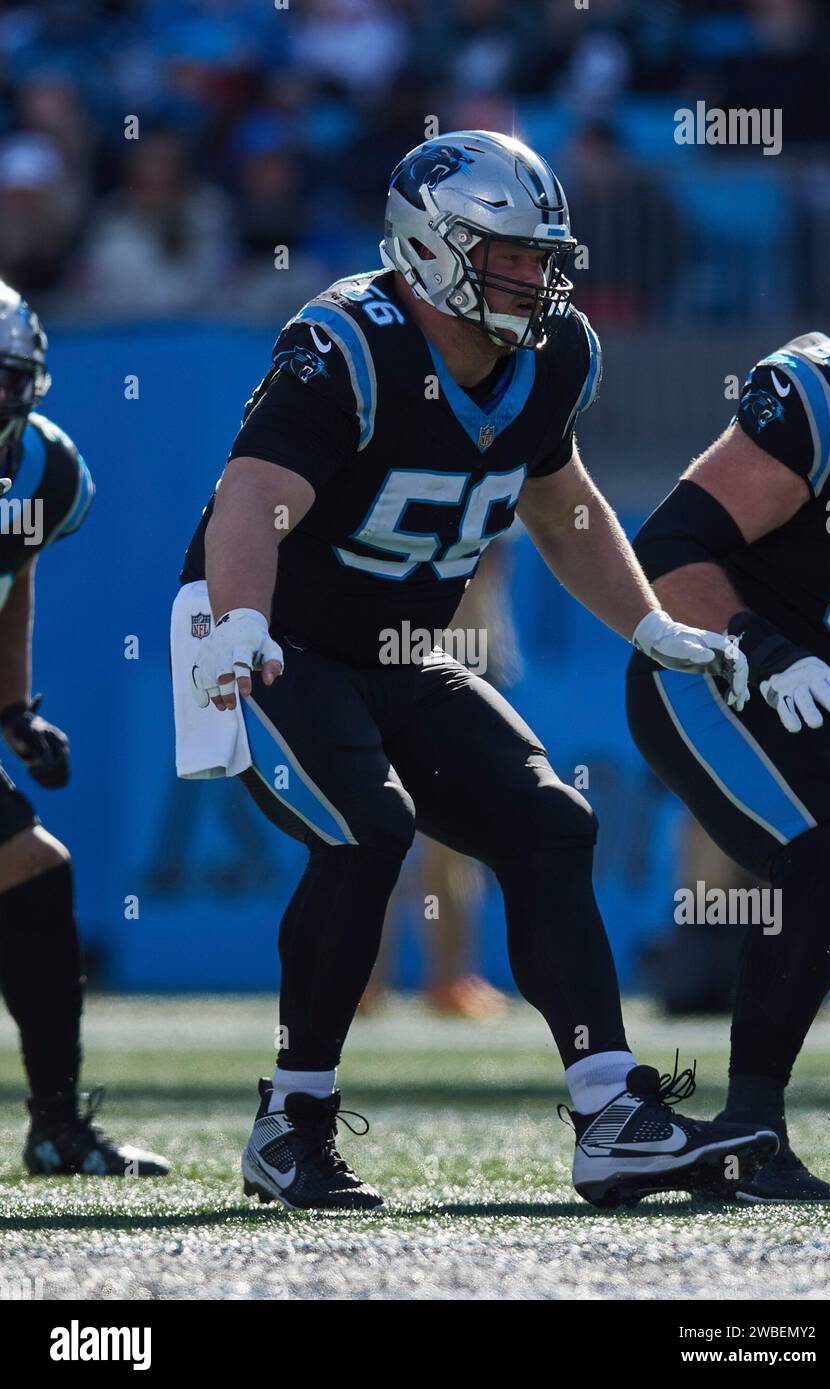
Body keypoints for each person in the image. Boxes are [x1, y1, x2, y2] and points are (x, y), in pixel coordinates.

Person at [175, 131, 775, 1211]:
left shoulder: (553, 356)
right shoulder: (348, 340)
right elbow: (251, 495)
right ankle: (291, 1124)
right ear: (428, 247)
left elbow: (561, 502)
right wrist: (240, 625)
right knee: (367, 827)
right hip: (272, 644)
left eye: (539, 256)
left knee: (551, 820)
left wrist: (644, 623)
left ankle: (611, 1116)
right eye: (503, 256)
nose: (531, 278)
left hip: (403, 653)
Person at [626, 211, 830, 1203]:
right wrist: (759, 647)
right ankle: (746, 1129)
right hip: (719, 667)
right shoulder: (824, 397)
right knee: (826, 845)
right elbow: (668, 545)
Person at [0, 283, 168, 1177]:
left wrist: (13, 707)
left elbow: (12, 574)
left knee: (33, 868)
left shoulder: (46, 470)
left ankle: (57, 1126)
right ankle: (57, 1127)